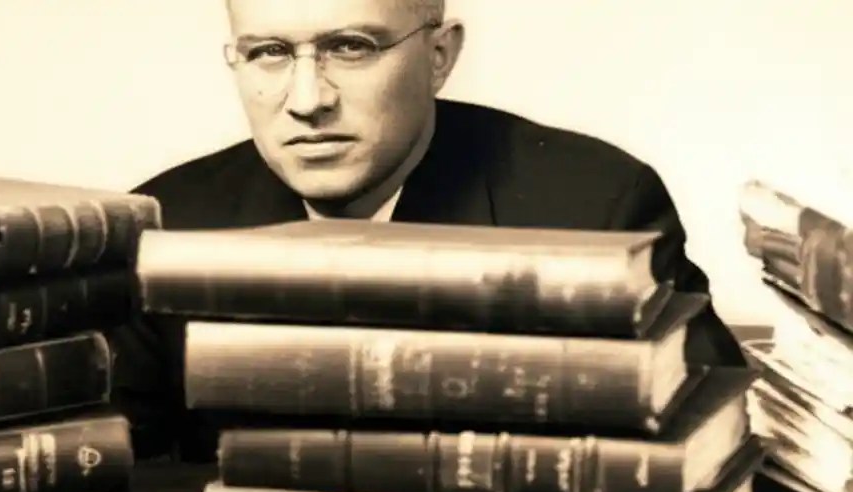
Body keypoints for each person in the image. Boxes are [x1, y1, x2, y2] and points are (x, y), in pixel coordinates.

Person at [109, 0, 747, 465]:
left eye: (351, 46)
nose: (307, 99)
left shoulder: (598, 211)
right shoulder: (163, 228)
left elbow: (707, 455)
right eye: (268, 53)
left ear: (439, 57)